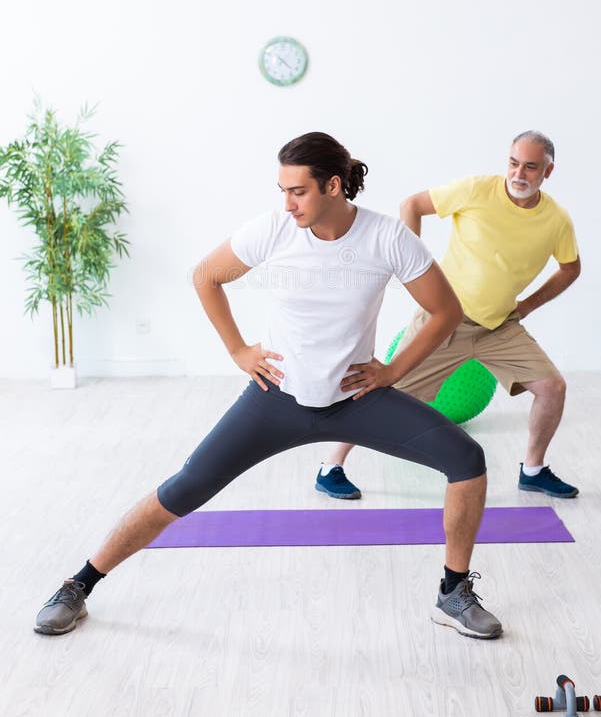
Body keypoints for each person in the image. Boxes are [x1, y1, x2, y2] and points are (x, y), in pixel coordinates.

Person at [35, 132, 502, 641]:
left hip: (355, 402)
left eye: (297, 191)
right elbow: (205, 276)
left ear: (333, 185)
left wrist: (392, 372)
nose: (287, 203)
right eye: (281, 189)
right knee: (185, 488)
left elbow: (446, 311)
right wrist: (239, 351)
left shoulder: (386, 237)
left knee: (467, 461)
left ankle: (452, 592)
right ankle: (78, 585)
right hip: (274, 400)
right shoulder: (273, 231)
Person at [316, 131, 580, 502]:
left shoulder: (556, 220)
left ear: (548, 172)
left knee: (553, 388)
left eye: (531, 167)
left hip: (500, 327)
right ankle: (331, 468)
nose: (519, 173)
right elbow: (412, 204)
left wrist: (527, 306)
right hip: (444, 321)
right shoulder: (476, 190)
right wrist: (414, 270)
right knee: (382, 389)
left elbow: (570, 268)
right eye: (513, 162)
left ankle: (533, 470)